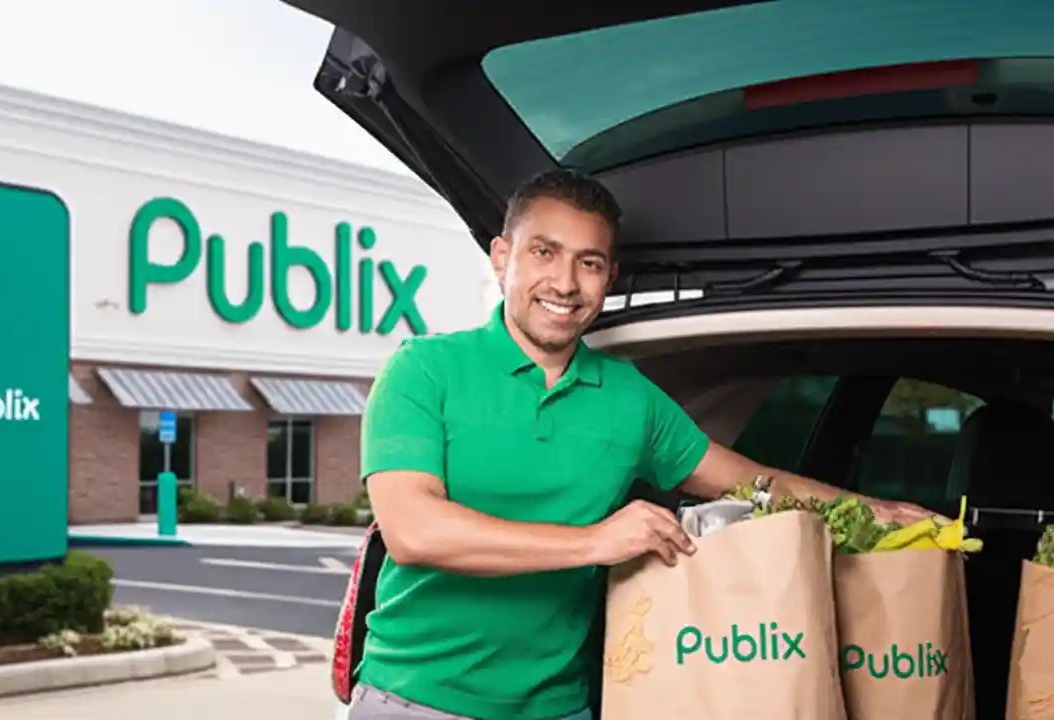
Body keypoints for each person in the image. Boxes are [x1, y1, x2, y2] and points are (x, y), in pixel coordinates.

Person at [349, 169, 934, 720]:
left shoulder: (631, 398)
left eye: (589, 263)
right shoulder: (424, 370)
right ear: (502, 257)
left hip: (559, 708)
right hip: (414, 702)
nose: (565, 283)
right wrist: (597, 541)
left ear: (610, 276)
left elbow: (755, 485)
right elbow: (414, 531)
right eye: (544, 252)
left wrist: (875, 511)